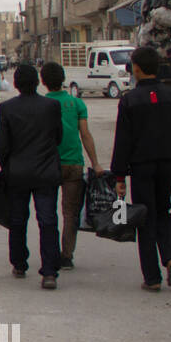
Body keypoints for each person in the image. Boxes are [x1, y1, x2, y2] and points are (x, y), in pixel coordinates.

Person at [110, 46, 171, 292]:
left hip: (141, 167)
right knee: (163, 211)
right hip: (167, 164)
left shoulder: (129, 100)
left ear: (136, 69)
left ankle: (152, 277)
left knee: (144, 217)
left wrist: (119, 175)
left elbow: (123, 141)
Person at [0, 64, 63, 288]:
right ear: (37, 82)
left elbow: (2, 146)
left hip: (18, 173)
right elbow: (58, 137)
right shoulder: (51, 106)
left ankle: (19, 263)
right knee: (48, 220)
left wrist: (9, 166)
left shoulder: (7, 108)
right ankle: (50, 271)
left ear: (15, 84)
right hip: (46, 172)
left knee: (17, 219)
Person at [38, 62, 103, 270]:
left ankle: (50, 252)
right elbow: (85, 135)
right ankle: (66, 255)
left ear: (43, 82)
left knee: (49, 212)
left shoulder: (42, 104)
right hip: (74, 164)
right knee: (70, 213)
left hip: (48, 165)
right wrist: (95, 163)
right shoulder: (76, 104)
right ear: (63, 79)